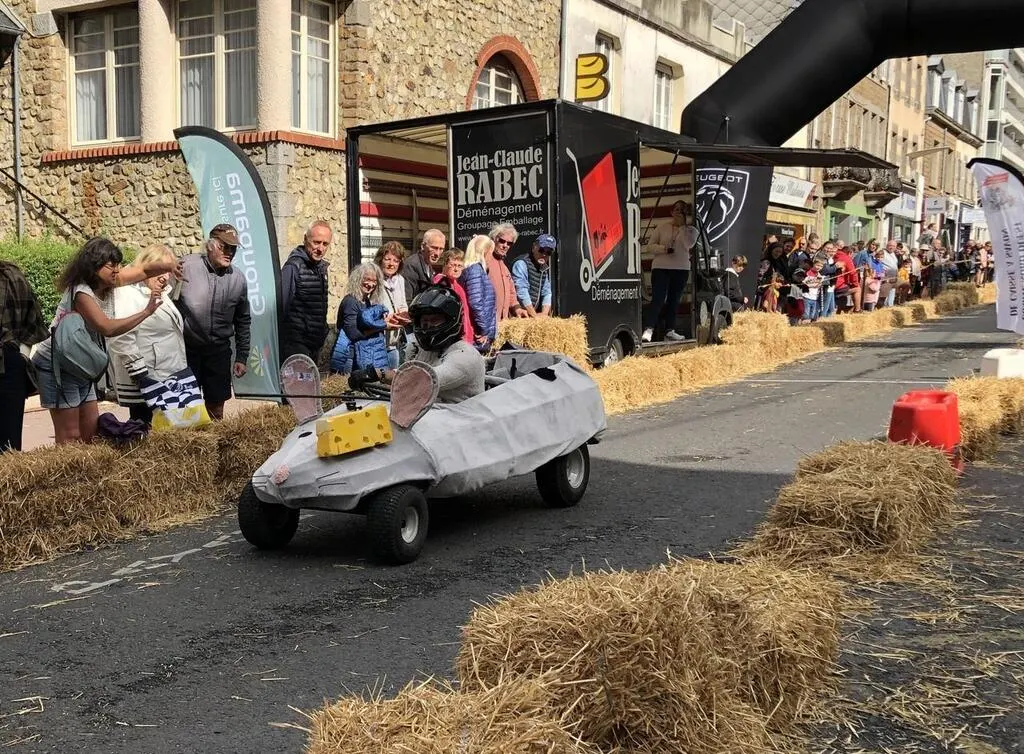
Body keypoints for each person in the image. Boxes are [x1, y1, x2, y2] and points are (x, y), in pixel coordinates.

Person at [31, 237, 177, 444]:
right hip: (58, 364)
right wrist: (146, 312)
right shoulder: (81, 292)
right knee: (70, 435)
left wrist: (172, 265)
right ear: (94, 265)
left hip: (82, 363)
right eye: (112, 265)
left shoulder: (110, 281)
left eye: (118, 264)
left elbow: (144, 271)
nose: (117, 270)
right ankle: (70, 475)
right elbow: (107, 328)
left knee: (91, 432)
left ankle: (87, 474)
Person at [175, 223, 251, 421]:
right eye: (224, 247)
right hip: (187, 350)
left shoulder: (239, 279)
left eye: (233, 248)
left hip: (219, 351)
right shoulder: (186, 267)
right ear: (210, 245)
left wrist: (242, 356)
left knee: (216, 409)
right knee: (185, 409)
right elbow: (166, 304)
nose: (229, 252)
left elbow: (243, 320)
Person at [106, 244, 188, 427]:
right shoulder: (127, 293)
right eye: (162, 270)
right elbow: (121, 336)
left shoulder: (162, 293)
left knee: (169, 431)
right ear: (148, 266)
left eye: (169, 271)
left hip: (168, 377)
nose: (166, 277)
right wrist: (139, 373)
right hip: (147, 380)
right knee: (146, 430)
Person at [0, 260, 49, 452]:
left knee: (8, 447)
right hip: (11, 362)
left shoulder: (11, 276)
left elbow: (32, 323)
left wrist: (20, 357)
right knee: (8, 447)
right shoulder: (12, 275)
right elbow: (33, 325)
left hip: (9, 362)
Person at [642, 201, 695, 342]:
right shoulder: (662, 227)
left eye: (682, 210)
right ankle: (649, 329)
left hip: (681, 269)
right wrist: (664, 249)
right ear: (671, 212)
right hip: (661, 267)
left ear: (686, 214)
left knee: (674, 300)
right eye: (676, 209)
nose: (678, 212)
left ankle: (670, 331)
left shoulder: (691, 230)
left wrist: (683, 226)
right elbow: (649, 247)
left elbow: (688, 244)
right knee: (658, 299)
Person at [280, 220, 331, 362]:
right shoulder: (293, 267)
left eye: (325, 244)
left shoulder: (321, 269)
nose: (320, 248)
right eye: (316, 242)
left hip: (314, 343)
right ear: (305, 239)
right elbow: (280, 307)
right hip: (295, 344)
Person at [375, 241, 410, 369]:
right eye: (387, 259)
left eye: (396, 260)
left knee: (392, 381)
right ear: (380, 260)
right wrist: (387, 318)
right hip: (377, 341)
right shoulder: (374, 278)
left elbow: (403, 304)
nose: (391, 264)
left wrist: (403, 315)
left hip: (394, 341)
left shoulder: (400, 280)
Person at [461, 236, 498, 352]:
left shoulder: (476, 270)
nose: (491, 258)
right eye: (491, 253)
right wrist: (483, 330)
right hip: (479, 335)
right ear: (484, 252)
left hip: (479, 332)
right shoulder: (475, 270)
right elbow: (475, 302)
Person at [487, 223, 527, 320]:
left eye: (509, 243)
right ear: (493, 239)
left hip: (501, 323)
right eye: (502, 241)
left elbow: (512, 294)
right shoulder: (485, 260)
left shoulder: (504, 267)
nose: (505, 245)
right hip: (487, 323)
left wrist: (518, 309)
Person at [511, 234, 555, 318]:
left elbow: (547, 292)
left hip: (530, 316)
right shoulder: (521, 263)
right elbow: (521, 291)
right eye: (541, 250)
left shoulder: (543, 268)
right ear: (534, 247)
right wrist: (535, 316)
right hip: (517, 315)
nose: (544, 255)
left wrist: (544, 314)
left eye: (548, 252)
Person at [404, 229, 446, 303]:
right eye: (434, 248)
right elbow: (407, 299)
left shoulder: (428, 266)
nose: (438, 253)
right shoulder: (412, 265)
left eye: (441, 249)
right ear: (423, 246)